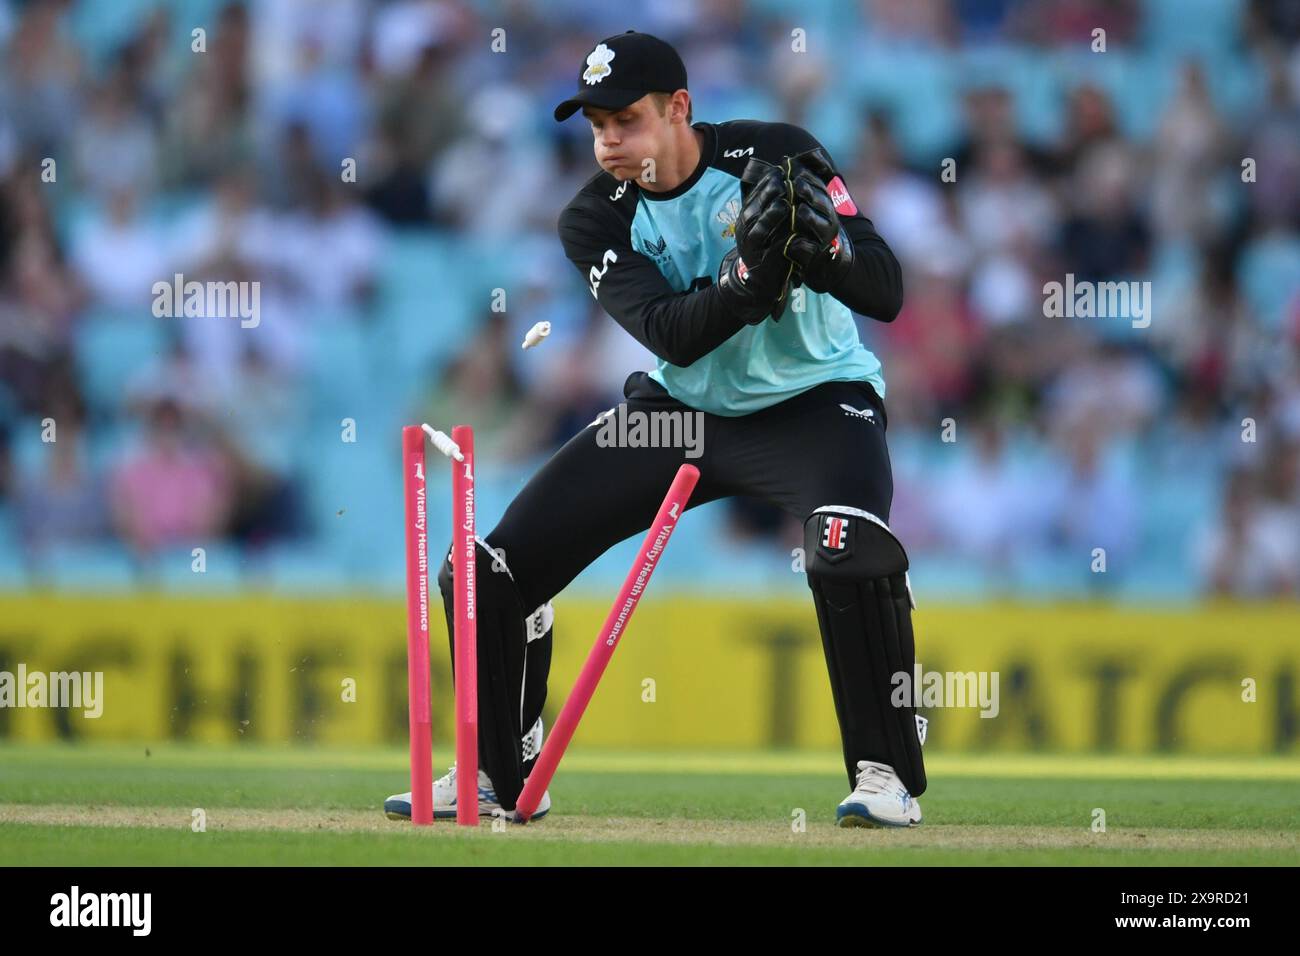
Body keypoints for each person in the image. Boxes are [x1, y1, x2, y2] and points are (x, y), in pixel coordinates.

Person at [387, 30, 925, 827]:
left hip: (816, 400)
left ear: (679, 109)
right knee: (484, 574)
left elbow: (884, 290)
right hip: (680, 414)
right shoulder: (591, 221)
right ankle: (504, 772)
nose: (609, 142)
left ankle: (885, 775)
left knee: (844, 545)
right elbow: (674, 332)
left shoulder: (776, 153)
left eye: (626, 120)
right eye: (596, 126)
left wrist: (830, 249)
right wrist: (746, 277)